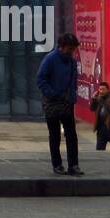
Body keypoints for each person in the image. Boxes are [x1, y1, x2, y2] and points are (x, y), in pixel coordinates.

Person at [36, 32, 83, 176]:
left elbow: (73, 81)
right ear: (61, 47)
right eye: (69, 49)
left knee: (71, 135)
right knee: (55, 135)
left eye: (73, 49)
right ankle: (57, 164)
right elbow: (41, 79)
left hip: (67, 103)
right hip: (52, 103)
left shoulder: (72, 61)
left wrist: (72, 96)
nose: (71, 52)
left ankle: (73, 165)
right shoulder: (50, 59)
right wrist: (53, 94)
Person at [89, 81, 110, 151]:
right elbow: (92, 108)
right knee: (99, 149)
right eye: (100, 89)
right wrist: (93, 99)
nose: (101, 91)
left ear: (108, 89)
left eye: (103, 89)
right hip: (100, 128)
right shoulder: (98, 98)